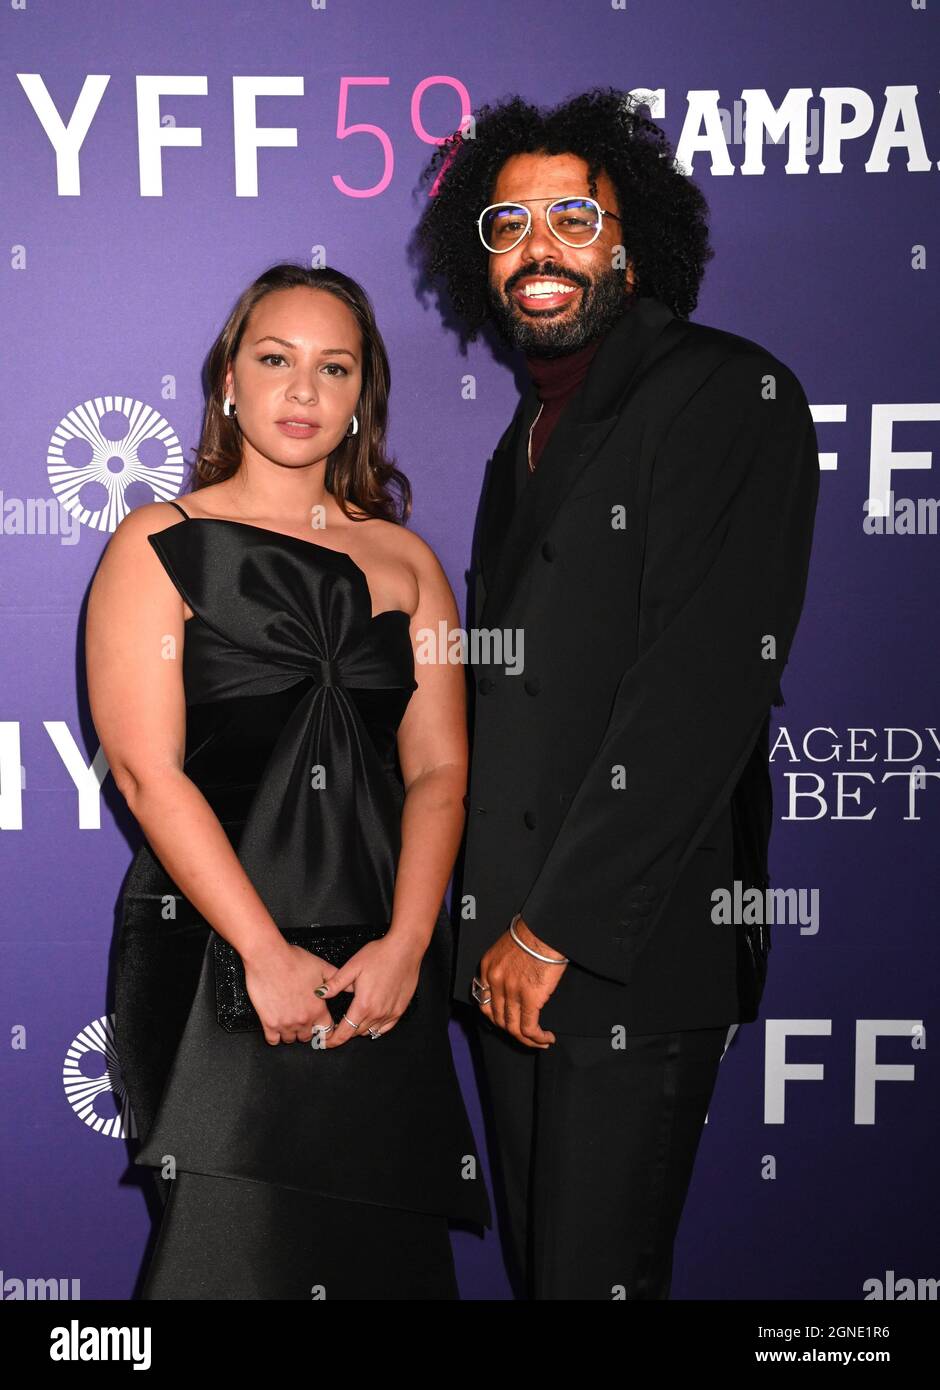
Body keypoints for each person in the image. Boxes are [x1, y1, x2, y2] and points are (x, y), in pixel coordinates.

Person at [412, 88, 820, 1299]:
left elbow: (698, 690)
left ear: (629, 240)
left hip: (621, 947)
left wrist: (558, 930)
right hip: (506, 951)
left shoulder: (723, 392)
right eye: (506, 224)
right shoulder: (526, 437)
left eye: (571, 216)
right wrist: (493, 930)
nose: (536, 246)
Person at [86, 262, 491, 1300]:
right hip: (211, 949)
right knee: (228, 1253)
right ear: (230, 376)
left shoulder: (407, 562)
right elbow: (144, 769)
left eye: (334, 368)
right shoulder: (158, 543)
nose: (303, 391)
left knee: (376, 1257)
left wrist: (408, 946)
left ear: (362, 397)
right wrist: (260, 950)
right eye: (276, 360)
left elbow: (442, 769)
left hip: (375, 960)